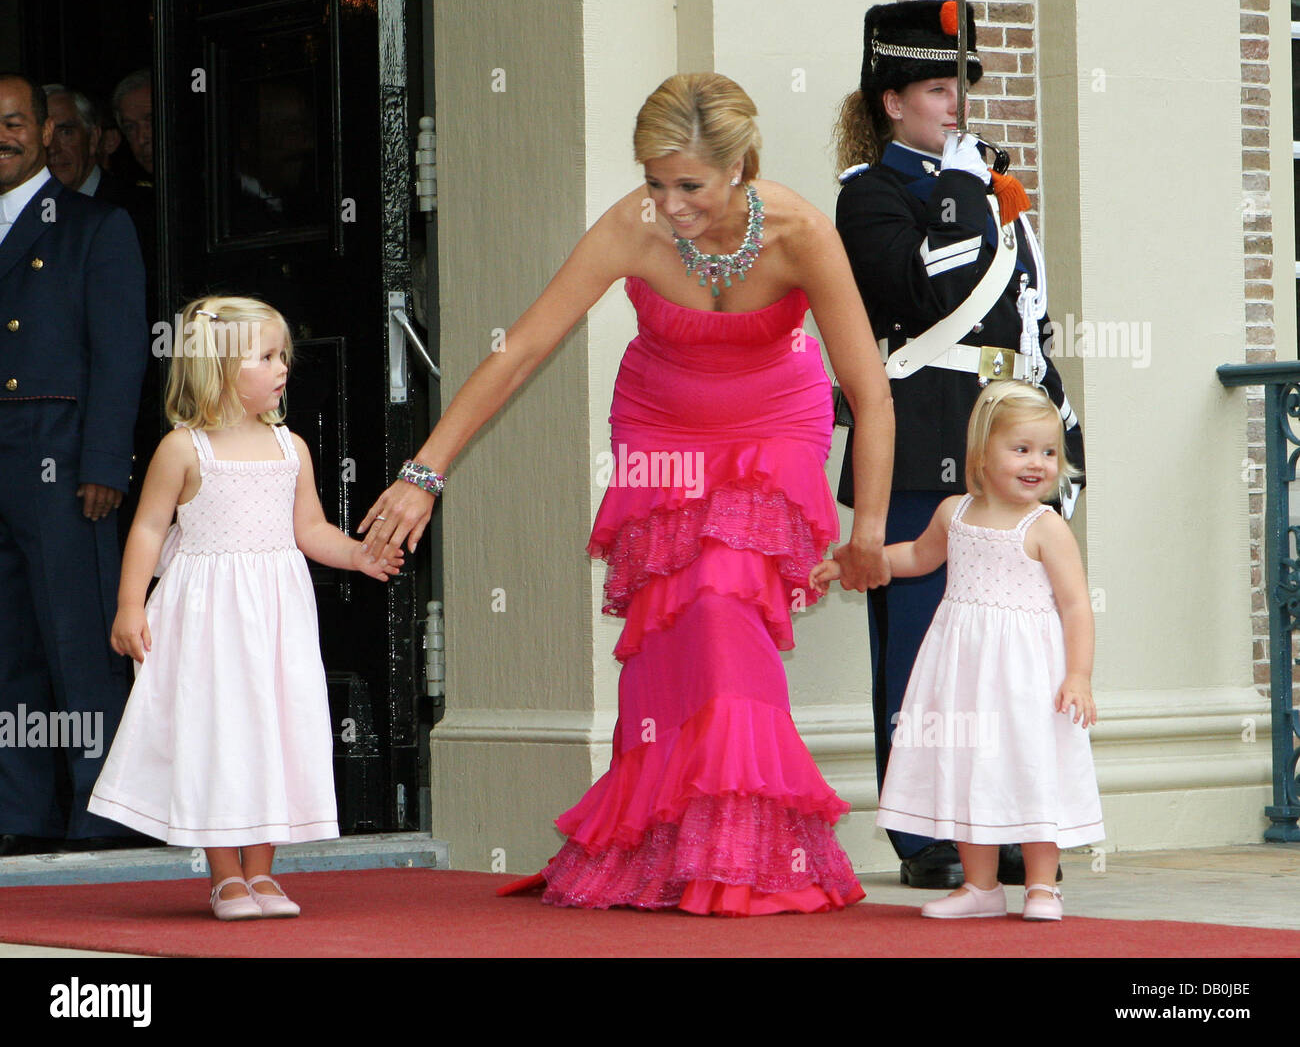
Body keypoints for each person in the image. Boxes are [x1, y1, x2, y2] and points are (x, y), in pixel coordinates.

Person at [360, 72, 895, 915]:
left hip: (772, 420)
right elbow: (521, 351)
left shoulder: (801, 232)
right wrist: (424, 473)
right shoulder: (629, 228)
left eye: (690, 185)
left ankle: (746, 851)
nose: (669, 204)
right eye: (654, 181)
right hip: (659, 425)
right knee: (670, 632)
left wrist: (868, 530)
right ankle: (670, 851)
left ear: (741, 167)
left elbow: (870, 392)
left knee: (724, 597)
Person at [831, 0, 1084, 889]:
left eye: (957, 89)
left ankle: (1003, 821)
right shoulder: (870, 195)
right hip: (920, 440)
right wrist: (959, 185)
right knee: (921, 647)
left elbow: (1028, 320)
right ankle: (926, 834)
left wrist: (1062, 426)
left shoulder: (983, 193)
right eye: (938, 90)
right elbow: (925, 289)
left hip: (1005, 447)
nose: (955, 107)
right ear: (893, 101)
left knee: (1011, 657)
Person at [87, 297, 404, 919]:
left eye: (282, 354)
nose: (283, 366)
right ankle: (224, 874)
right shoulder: (183, 450)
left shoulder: (291, 448)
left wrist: (358, 555)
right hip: (206, 622)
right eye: (265, 356)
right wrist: (130, 606)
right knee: (219, 734)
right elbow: (149, 530)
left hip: (275, 622)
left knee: (269, 732)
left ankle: (262, 873)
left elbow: (310, 529)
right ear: (219, 369)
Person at [812, 380, 1102, 920]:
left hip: (1027, 678)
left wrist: (1078, 676)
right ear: (981, 454)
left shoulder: (1047, 527)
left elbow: (1077, 607)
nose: (1037, 462)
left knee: (1030, 766)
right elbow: (917, 557)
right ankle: (980, 886)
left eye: (1048, 451)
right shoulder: (955, 514)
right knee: (969, 767)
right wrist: (854, 562)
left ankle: (1042, 885)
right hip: (963, 671)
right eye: (1021, 449)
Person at [0, 73, 147, 855]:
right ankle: (18, 814)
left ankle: (101, 817)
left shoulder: (94, 225)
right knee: (7, 648)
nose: (6, 136)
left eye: (17, 122)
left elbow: (121, 355)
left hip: (59, 459)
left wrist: (105, 464)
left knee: (79, 647)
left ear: (46, 134)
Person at [42, 85, 134, 205]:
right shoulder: (29, 208)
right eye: (43, 135)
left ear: (93, 139)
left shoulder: (134, 207)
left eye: (66, 133)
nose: (53, 149)